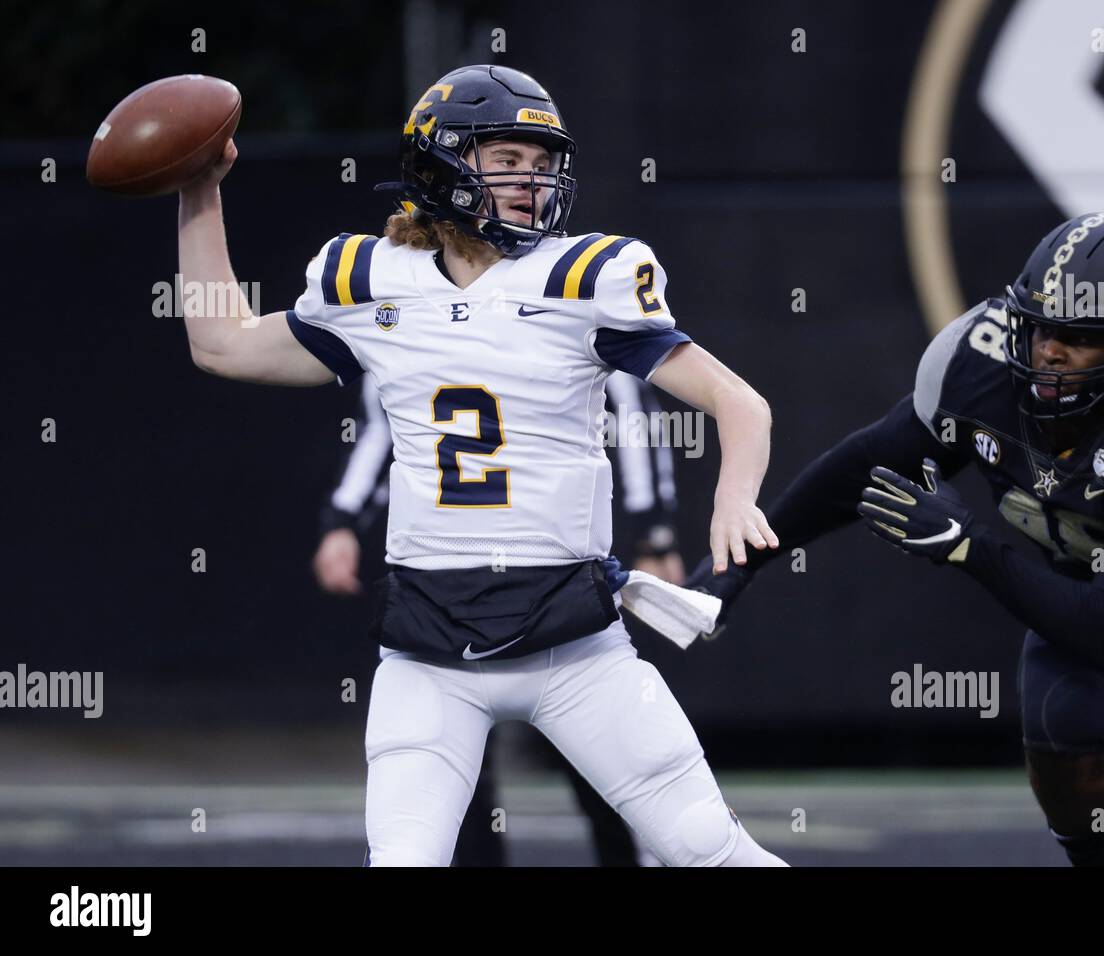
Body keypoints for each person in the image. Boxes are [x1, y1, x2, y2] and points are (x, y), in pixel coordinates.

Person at [176, 63, 784, 867]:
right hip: (429, 654)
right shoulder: (368, 279)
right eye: (508, 162)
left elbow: (741, 404)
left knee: (708, 849)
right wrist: (197, 191)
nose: (531, 182)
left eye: (542, 164)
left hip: (577, 646)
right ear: (441, 164)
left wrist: (732, 500)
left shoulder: (586, 276)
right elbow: (222, 344)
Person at [690, 212, 1104, 865]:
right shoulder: (980, 364)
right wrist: (742, 560)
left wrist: (968, 546)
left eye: (1075, 337)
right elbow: (870, 462)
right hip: (1096, 580)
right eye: (1039, 327)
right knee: (1060, 718)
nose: (1047, 351)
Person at [312, 372, 684, 865]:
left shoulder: (561, 302)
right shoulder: (403, 311)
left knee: (600, 752)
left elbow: (628, 402)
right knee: (451, 766)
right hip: (448, 580)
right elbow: (385, 417)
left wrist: (651, 531)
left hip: (559, 573)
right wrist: (343, 519)